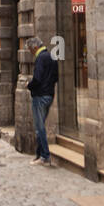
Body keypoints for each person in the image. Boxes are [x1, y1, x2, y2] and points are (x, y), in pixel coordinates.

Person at [26, 36, 58, 167]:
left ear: (35, 47)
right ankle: (39, 155)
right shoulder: (51, 56)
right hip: (49, 94)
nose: (30, 52)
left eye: (30, 50)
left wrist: (29, 85)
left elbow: (37, 78)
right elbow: (56, 76)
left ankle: (44, 156)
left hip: (40, 96)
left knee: (39, 128)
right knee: (40, 126)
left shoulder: (40, 58)